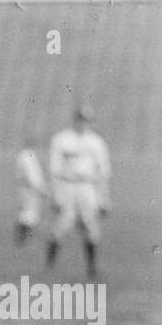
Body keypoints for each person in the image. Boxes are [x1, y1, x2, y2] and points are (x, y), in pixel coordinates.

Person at [45, 105, 111, 280]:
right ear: (75, 119)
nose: (83, 124)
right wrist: (55, 192)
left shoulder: (96, 142)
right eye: (80, 119)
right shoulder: (62, 139)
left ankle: (92, 267)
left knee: (91, 226)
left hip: (88, 186)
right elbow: (54, 168)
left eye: (87, 120)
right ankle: (49, 266)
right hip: (68, 185)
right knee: (62, 225)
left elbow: (104, 171)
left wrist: (104, 197)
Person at [14, 138, 47, 246]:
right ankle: (22, 239)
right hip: (29, 189)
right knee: (28, 213)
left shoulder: (24, 155)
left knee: (27, 212)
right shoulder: (27, 156)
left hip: (27, 187)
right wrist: (39, 189)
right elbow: (31, 175)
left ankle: (22, 239)